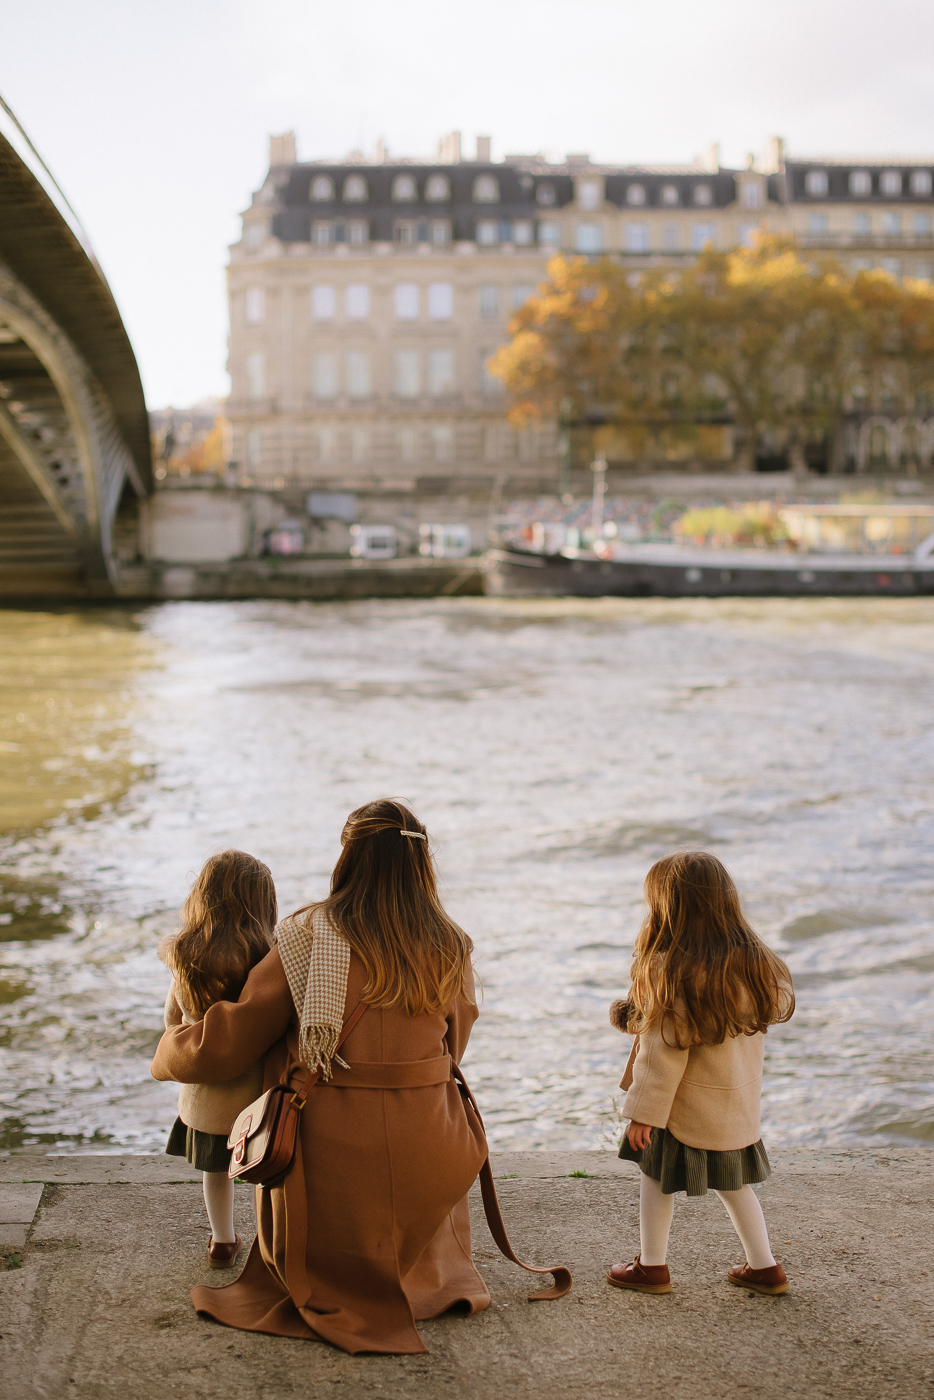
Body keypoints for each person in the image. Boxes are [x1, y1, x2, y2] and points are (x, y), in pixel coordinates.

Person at [150, 800, 492, 1355]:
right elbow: (455, 1047)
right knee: (421, 1141)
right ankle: (419, 1269)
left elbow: (231, 1041)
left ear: (348, 857)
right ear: (421, 862)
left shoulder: (308, 934)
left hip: (333, 1156)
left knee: (312, 1146)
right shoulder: (449, 943)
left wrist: (170, 1048)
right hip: (433, 1151)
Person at [607, 851, 795, 1297]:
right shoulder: (755, 964)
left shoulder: (671, 971)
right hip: (733, 1107)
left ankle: (651, 1267)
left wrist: (642, 1115)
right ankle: (764, 1266)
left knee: (655, 1180)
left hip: (680, 1108)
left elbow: (660, 1057)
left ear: (668, 908)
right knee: (735, 1187)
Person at [160, 850, 277, 1267]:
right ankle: (271, 1239)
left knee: (214, 1171)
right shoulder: (268, 953)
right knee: (266, 1169)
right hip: (257, 1094)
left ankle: (222, 1241)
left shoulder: (184, 954)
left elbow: (172, 1019)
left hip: (206, 1096)